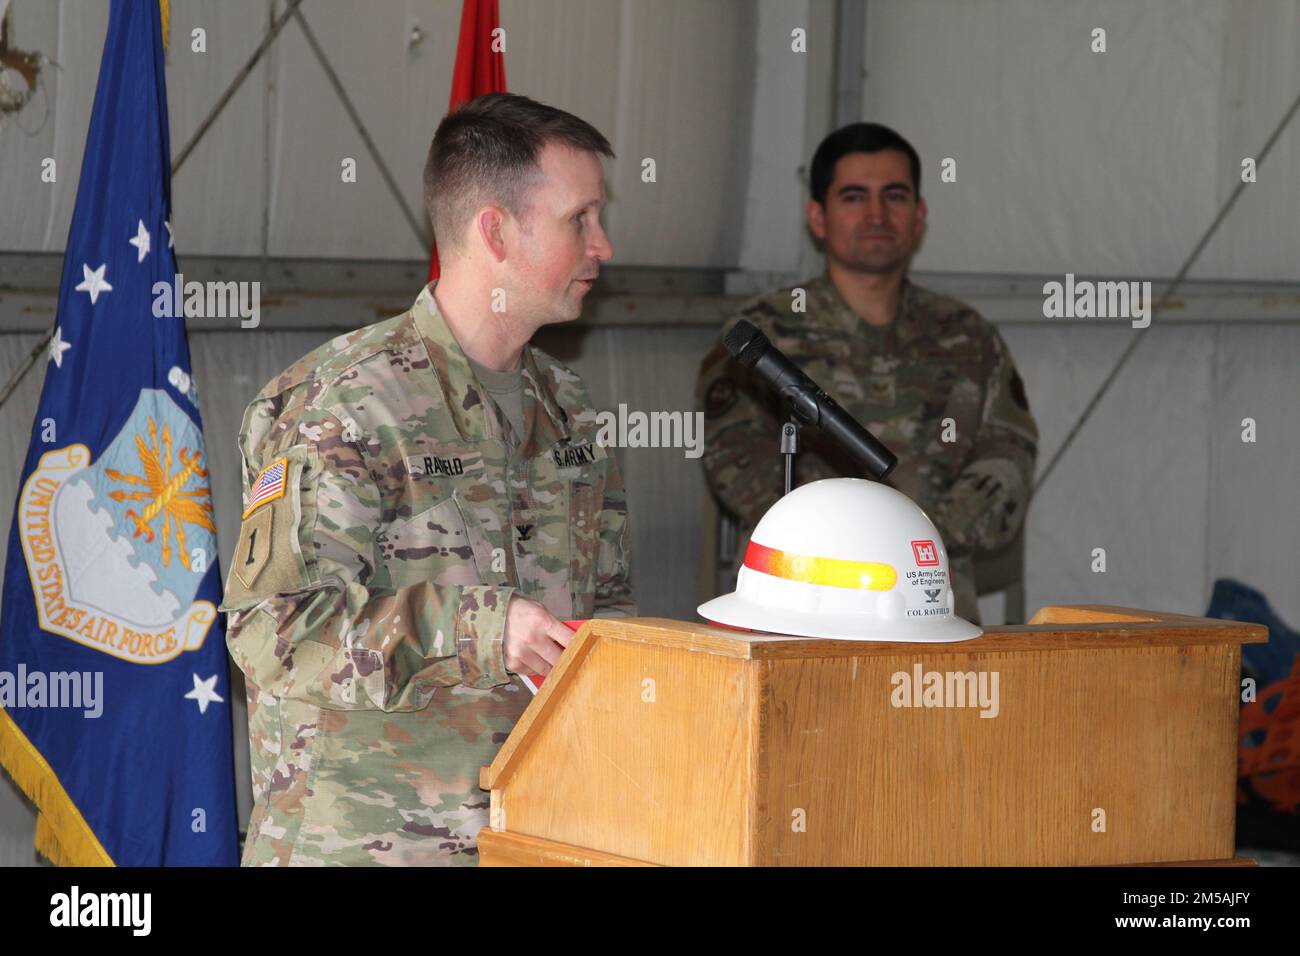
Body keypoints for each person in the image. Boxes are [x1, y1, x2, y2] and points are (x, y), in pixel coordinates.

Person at [220, 93, 634, 866]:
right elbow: (273, 633)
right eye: (581, 218)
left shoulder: (569, 408)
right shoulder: (343, 403)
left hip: (533, 840)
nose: (602, 245)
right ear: (497, 231)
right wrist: (482, 627)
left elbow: (606, 614)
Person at [697, 122, 1037, 623]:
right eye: (854, 196)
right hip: (803, 597)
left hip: (931, 600)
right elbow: (736, 462)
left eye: (894, 196)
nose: (877, 214)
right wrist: (854, 543)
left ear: (919, 215)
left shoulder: (969, 336)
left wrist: (918, 538)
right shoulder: (763, 338)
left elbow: (1009, 453)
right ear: (818, 216)